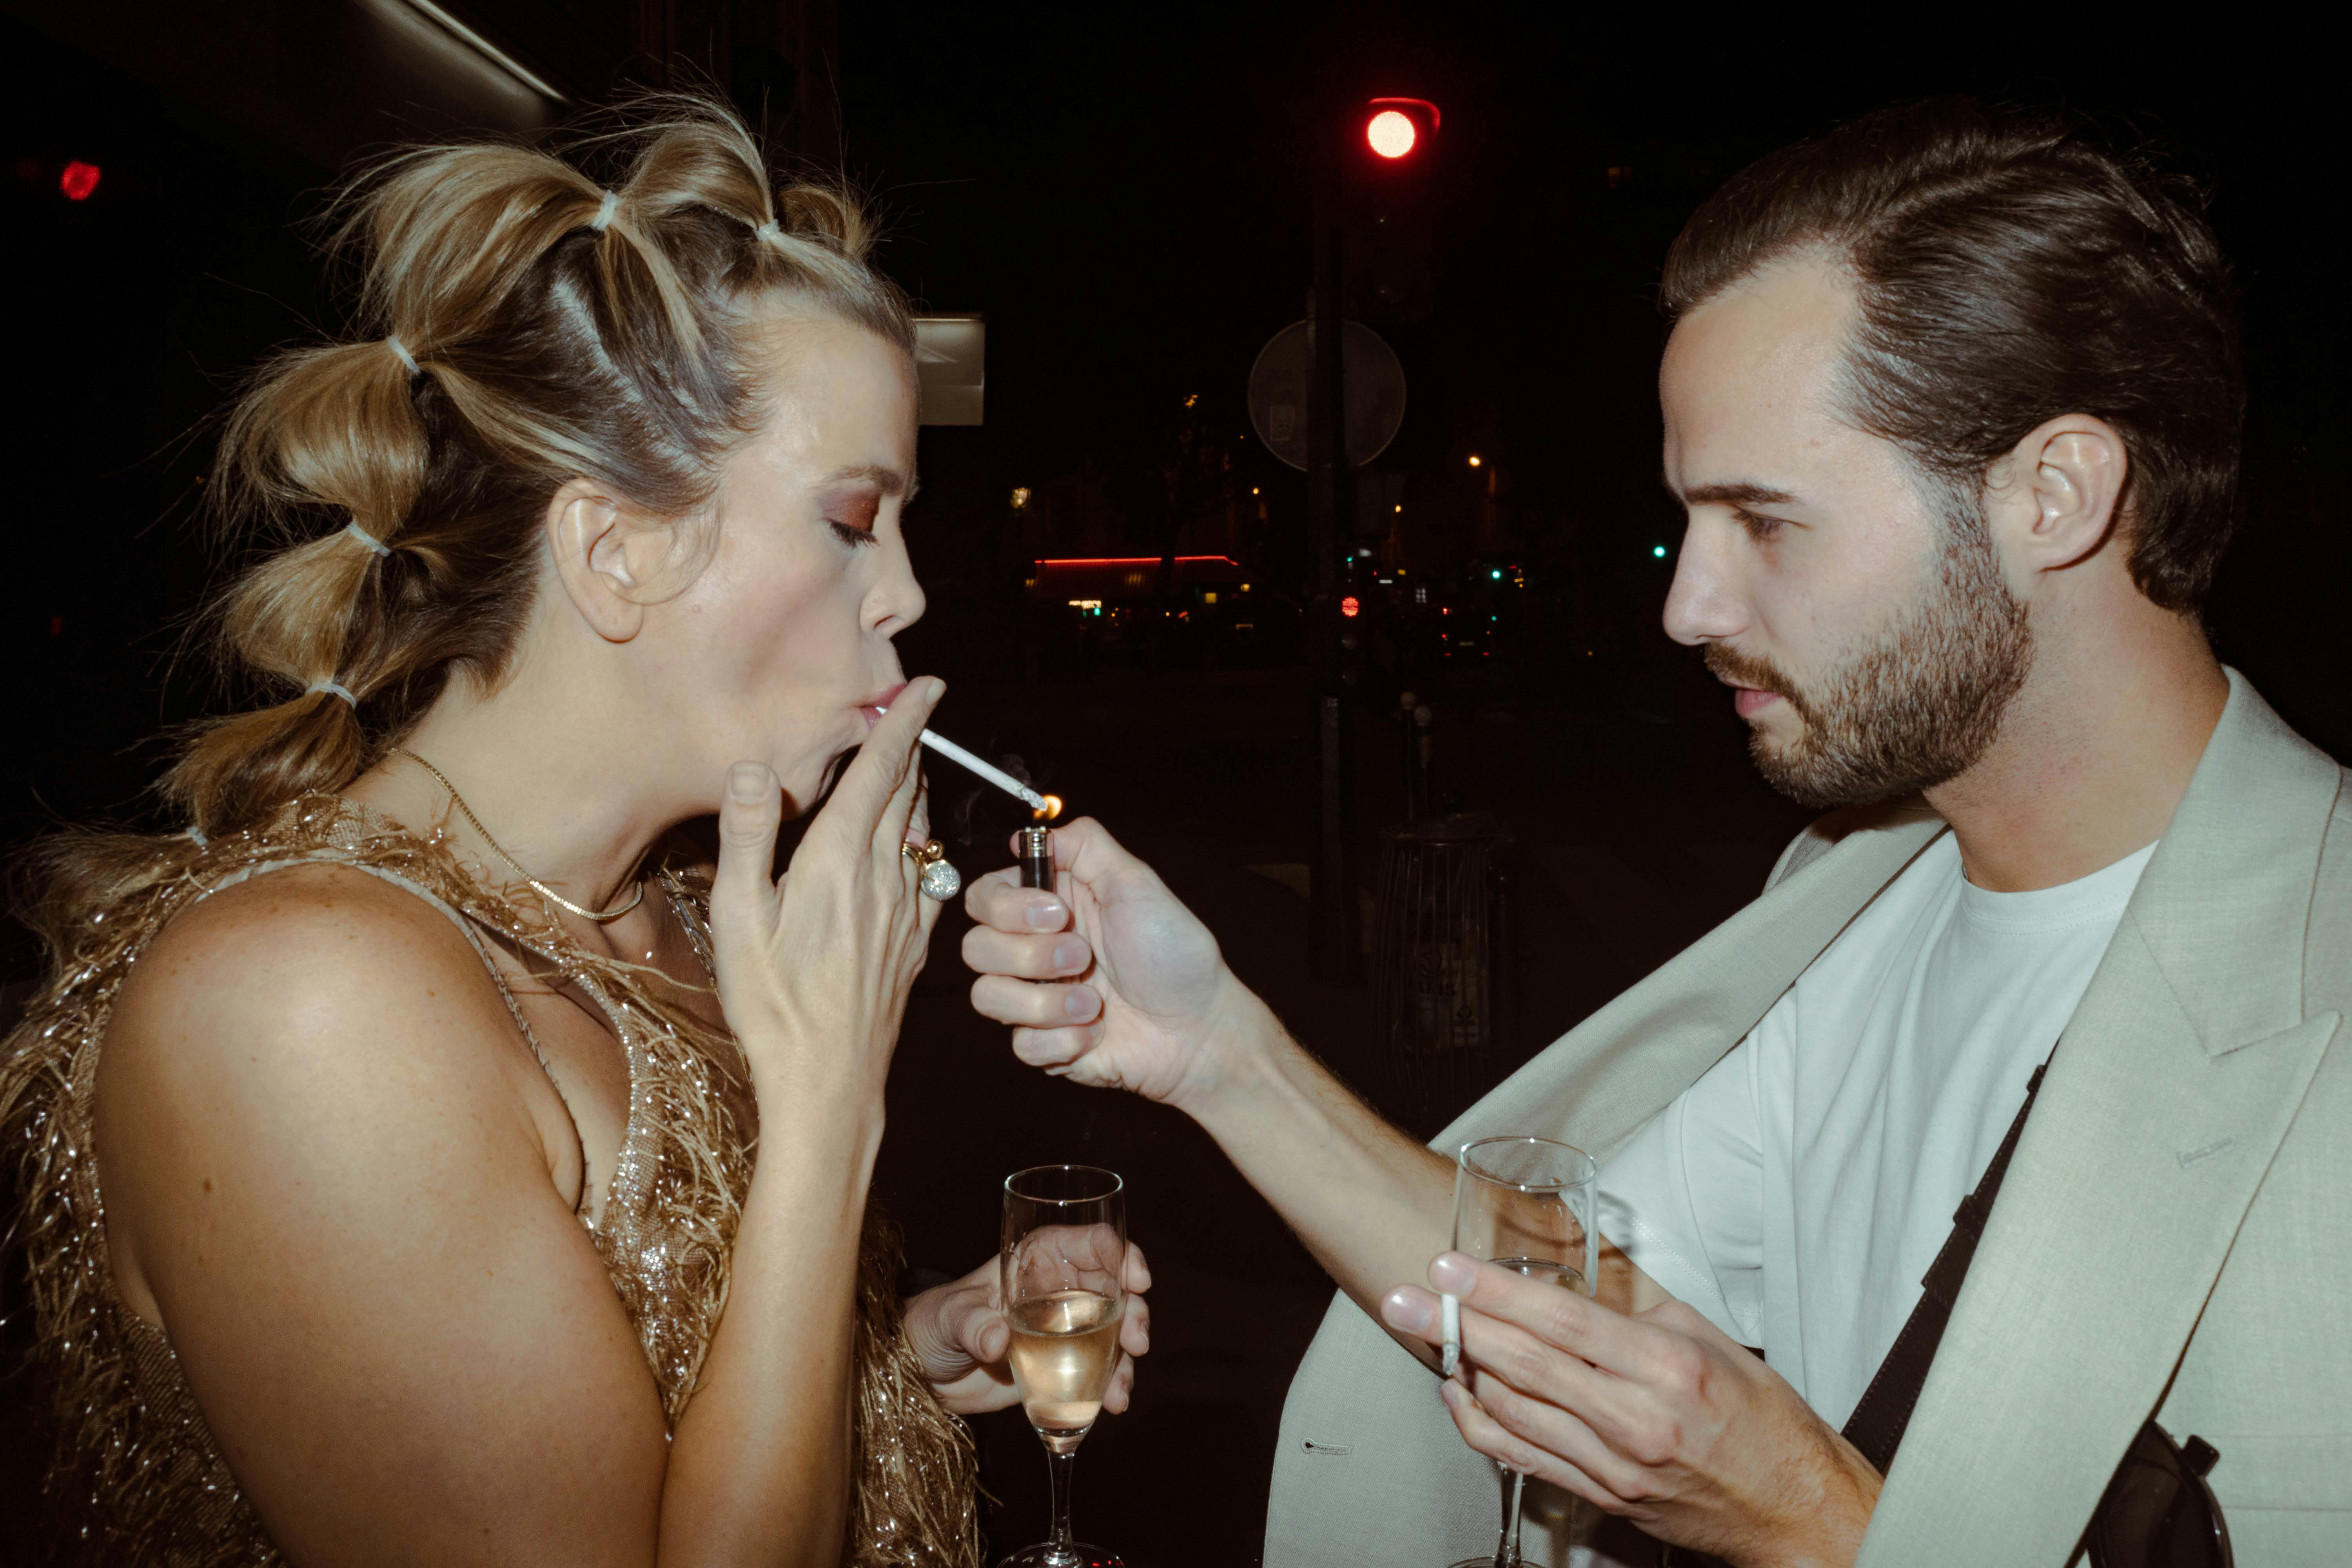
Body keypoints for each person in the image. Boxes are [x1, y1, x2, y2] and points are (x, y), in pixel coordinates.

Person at [961, 99, 2349, 1566]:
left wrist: (1808, 1524)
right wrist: (1218, 1054)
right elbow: (1573, 1289)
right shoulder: (1864, 903)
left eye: (1769, 520)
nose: (1690, 606)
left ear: (2051, 495)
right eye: (1692, 519)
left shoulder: (2316, 991)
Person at [0, 99, 1149, 1567]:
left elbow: (645, 1422)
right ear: (614, 553)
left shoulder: (664, 910)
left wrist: (924, 1347)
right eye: (856, 521)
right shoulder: (302, 1009)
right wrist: (823, 1109)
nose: (906, 595)